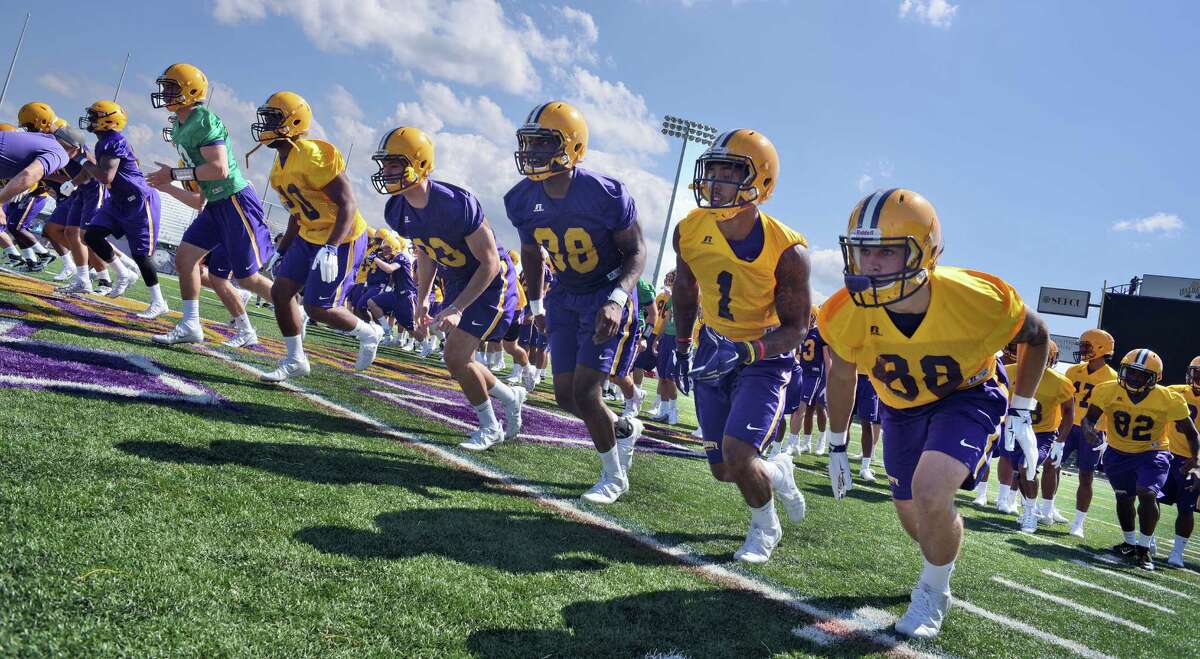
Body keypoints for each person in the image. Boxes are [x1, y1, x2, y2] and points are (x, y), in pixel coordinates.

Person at [820, 188, 1049, 637]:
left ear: (925, 251)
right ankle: (939, 558)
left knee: (930, 492)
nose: (872, 264)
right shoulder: (842, 312)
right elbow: (842, 376)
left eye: (887, 251)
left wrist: (1023, 409)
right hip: (900, 408)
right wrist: (836, 443)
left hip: (967, 394)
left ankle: (933, 593)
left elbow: (1037, 335)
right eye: (864, 250)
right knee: (916, 518)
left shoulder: (975, 296)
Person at [672, 128, 811, 563]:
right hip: (713, 344)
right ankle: (778, 473)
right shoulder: (689, 229)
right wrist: (682, 343)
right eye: (712, 171)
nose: (715, 183)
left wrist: (749, 351)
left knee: (738, 453)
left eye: (729, 173)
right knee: (723, 469)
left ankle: (765, 528)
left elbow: (797, 328)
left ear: (759, 183)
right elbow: (685, 289)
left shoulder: (787, 249)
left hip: (764, 355)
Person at [505, 101, 645, 503]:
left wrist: (617, 299)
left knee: (586, 393)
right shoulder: (520, 199)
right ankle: (623, 429)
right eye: (530, 143)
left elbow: (636, 251)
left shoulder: (604, 193)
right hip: (565, 294)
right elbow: (531, 253)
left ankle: (613, 477)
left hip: (605, 293)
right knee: (565, 396)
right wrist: (536, 305)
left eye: (544, 143)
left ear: (573, 147)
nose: (533, 152)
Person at [375, 126, 525, 449]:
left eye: (395, 164)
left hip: (490, 279)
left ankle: (490, 427)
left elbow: (490, 263)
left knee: (455, 356)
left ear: (420, 164)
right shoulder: (397, 209)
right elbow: (425, 253)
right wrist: (422, 300)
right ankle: (510, 397)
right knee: (460, 360)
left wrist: (457, 307)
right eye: (385, 164)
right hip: (456, 279)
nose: (386, 171)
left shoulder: (455, 203)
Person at [245, 92, 380, 382]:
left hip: (342, 237)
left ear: (294, 122)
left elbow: (348, 203)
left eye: (273, 118)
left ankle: (368, 333)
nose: (266, 125)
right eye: (266, 118)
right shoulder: (279, 166)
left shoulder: (311, 155)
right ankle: (295, 359)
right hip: (309, 236)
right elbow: (298, 213)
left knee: (317, 308)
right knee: (280, 292)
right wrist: (282, 249)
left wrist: (331, 247)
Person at [147, 63, 275, 346]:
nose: (165, 93)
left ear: (190, 91)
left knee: (248, 279)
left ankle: (294, 309)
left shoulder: (202, 120)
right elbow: (199, 195)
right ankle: (190, 324)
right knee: (185, 259)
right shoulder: (179, 126)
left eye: (172, 88)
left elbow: (220, 170)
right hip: (215, 204)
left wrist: (173, 175)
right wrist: (170, 185)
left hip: (234, 200)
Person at [1084, 349, 1198, 571]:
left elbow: (1192, 433)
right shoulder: (1106, 390)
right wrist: (1089, 430)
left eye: (1141, 375)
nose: (1134, 378)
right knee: (1123, 498)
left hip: (1152, 452)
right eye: (1131, 372)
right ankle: (1129, 543)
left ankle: (1144, 548)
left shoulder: (1169, 398)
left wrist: (1196, 459)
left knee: (1147, 493)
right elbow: (1089, 419)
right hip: (1117, 452)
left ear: (1155, 378)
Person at [74, 101, 166, 317]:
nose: (91, 120)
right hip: (118, 200)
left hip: (139, 201)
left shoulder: (114, 141)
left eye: (95, 116)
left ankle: (159, 302)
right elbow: (99, 172)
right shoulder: (104, 141)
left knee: (141, 255)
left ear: (109, 120)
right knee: (91, 235)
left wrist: (80, 159)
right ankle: (123, 273)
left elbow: (105, 177)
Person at [1048, 328, 1119, 537]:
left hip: (1093, 431)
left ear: (1101, 348)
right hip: (1068, 425)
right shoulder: (1073, 371)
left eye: (1086, 345)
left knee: (1086, 476)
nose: (1082, 349)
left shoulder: (1112, 378)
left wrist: (1107, 436)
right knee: (1052, 464)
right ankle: (1048, 508)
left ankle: (1078, 523)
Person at [1003, 340, 1075, 533]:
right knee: (1021, 473)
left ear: (1049, 359)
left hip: (1043, 433)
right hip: (1015, 429)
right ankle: (1031, 508)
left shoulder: (1059, 382)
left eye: (1039, 357)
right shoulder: (1009, 372)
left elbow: (1069, 412)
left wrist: (1060, 441)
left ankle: (1030, 514)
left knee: (1026, 466)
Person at [1162, 356, 1200, 567]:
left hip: (1194, 461)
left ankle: (1177, 552)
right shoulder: (1173, 391)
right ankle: (1148, 541)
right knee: (1150, 497)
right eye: (1197, 373)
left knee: (1186, 508)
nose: (1198, 378)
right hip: (1167, 454)